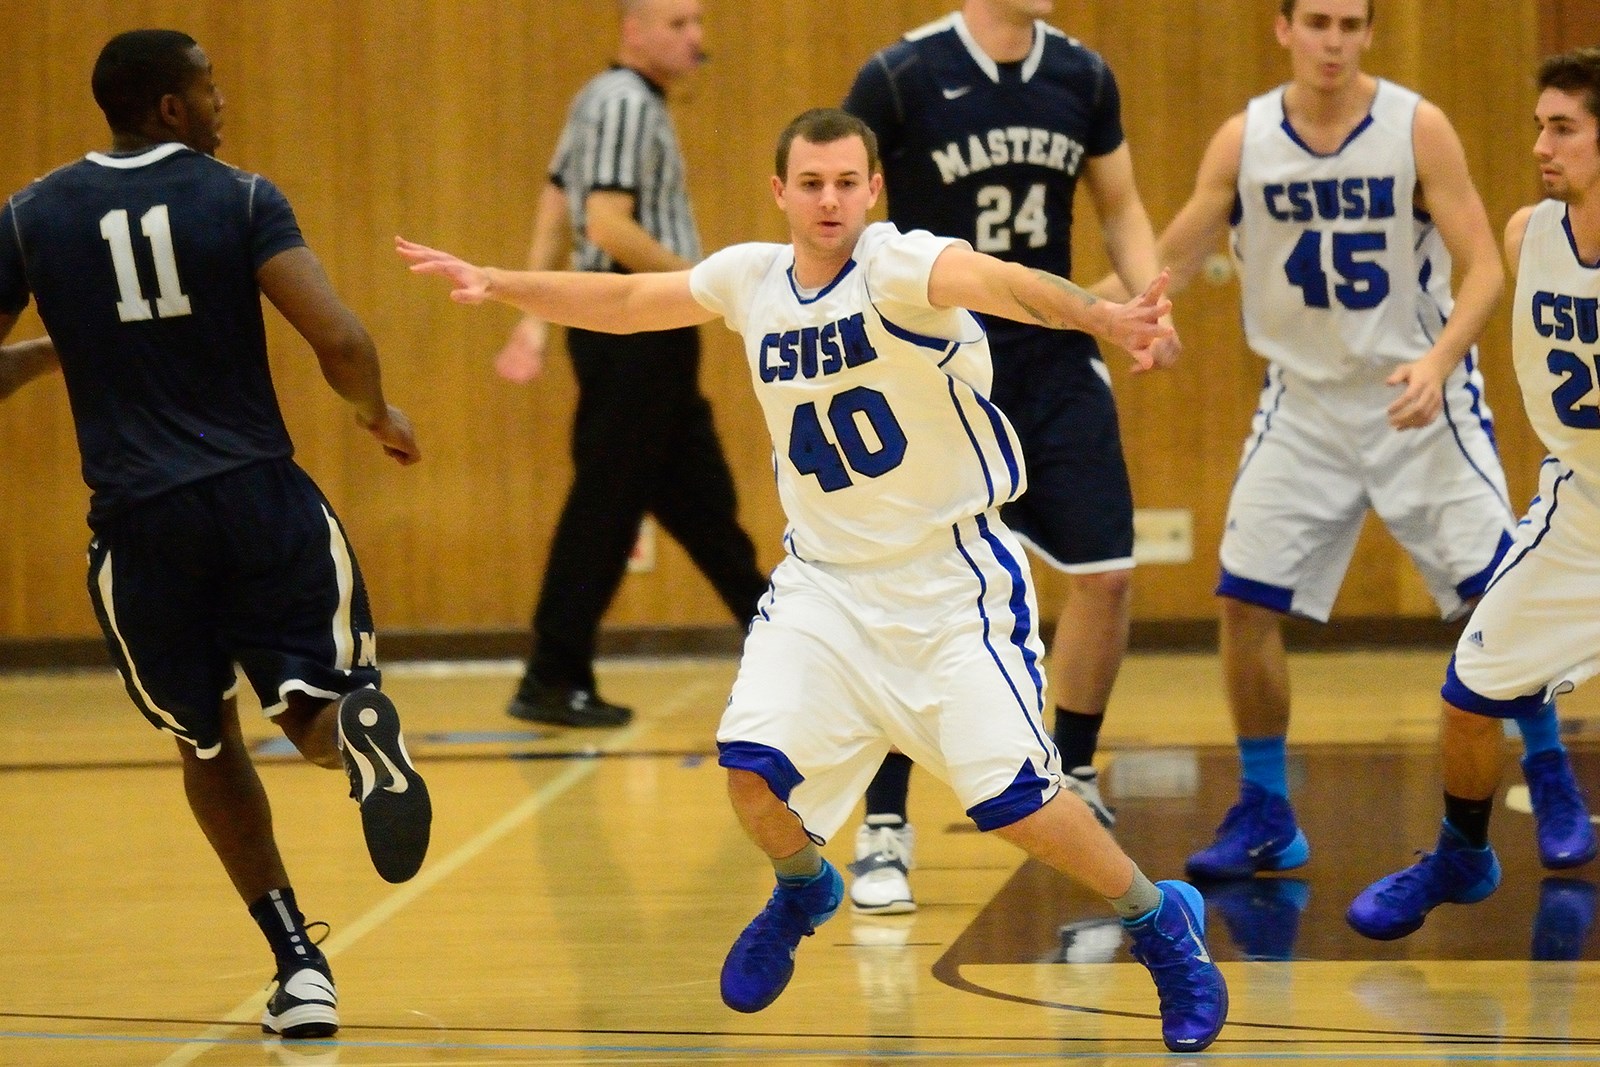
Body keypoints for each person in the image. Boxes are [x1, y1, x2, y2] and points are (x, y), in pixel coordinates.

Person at [401, 107, 1228, 1054]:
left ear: (873, 189)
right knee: (750, 777)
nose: (829, 198)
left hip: (948, 586)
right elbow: (628, 303)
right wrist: (499, 282)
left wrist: (1096, 312)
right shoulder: (750, 278)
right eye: (811, 183)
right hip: (824, 588)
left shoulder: (899, 265)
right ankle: (806, 888)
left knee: (1021, 808)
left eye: (847, 182)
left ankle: (1159, 917)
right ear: (780, 191)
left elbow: (998, 281)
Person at [0, 30, 432, 1040]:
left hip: (140, 524)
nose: (220, 98)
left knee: (205, 740)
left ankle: (297, 962)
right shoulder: (238, 198)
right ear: (169, 109)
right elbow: (340, 338)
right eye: (207, 84)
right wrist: (375, 410)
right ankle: (348, 736)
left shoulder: (29, 215)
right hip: (257, 498)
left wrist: (42, 357)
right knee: (312, 709)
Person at [1099, 0, 1594, 881]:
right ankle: (1265, 809)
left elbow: (1482, 264)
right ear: (1282, 29)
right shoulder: (1243, 137)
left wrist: (1442, 359)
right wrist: (1091, 312)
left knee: (1501, 593)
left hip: (1418, 394)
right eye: (1317, 22)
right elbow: (1171, 248)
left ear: (1369, 32)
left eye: (1351, 23)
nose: (1335, 40)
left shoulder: (1416, 126)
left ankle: (1551, 776)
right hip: (1304, 403)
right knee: (1245, 601)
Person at [837, 0, 1175, 915]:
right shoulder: (900, 76)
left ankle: (1074, 768)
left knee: (1106, 574)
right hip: (938, 361)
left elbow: (1123, 205)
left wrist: (1148, 302)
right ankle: (884, 823)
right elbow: (847, 212)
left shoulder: (1082, 75)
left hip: (1053, 359)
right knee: (913, 594)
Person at [1346, 46, 1600, 940]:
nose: (1541, 143)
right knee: (1467, 697)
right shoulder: (1528, 233)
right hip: (1580, 514)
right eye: (1539, 125)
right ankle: (1463, 854)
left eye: (1563, 127)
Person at [491, 0, 769, 728]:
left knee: (701, 499)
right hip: (634, 329)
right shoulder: (623, 102)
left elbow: (557, 203)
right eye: (678, 23)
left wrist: (534, 316)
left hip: (644, 331)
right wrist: (704, 285)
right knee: (608, 502)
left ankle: (780, 639)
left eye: (698, 23)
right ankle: (552, 673)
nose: (696, 38)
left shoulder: (602, 99)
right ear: (634, 30)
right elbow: (604, 225)